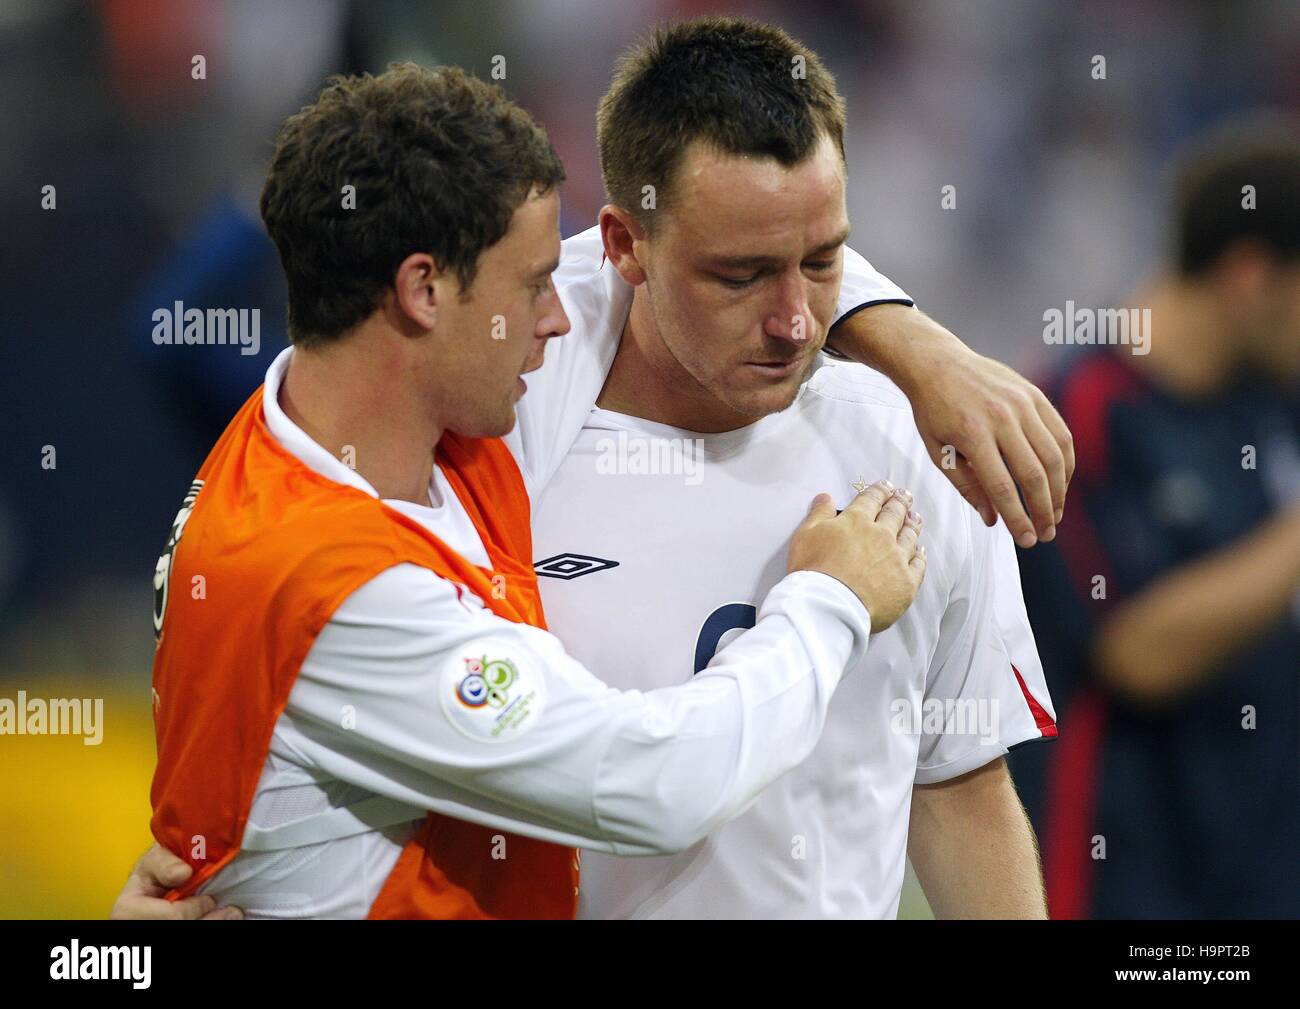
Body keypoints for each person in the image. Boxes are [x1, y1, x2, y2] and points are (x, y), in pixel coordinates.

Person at [115, 18, 1070, 920]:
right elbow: (653, 783)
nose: (559, 312)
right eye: (534, 288)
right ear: (425, 292)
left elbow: (961, 785)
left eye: (825, 260)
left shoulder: (411, 445)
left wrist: (916, 345)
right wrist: (829, 601)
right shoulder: (412, 521)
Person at [1009, 118, 1300, 918]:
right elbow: (1136, 648)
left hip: (1262, 874)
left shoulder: (1271, 399)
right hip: (1125, 881)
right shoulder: (1068, 418)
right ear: (1251, 277)